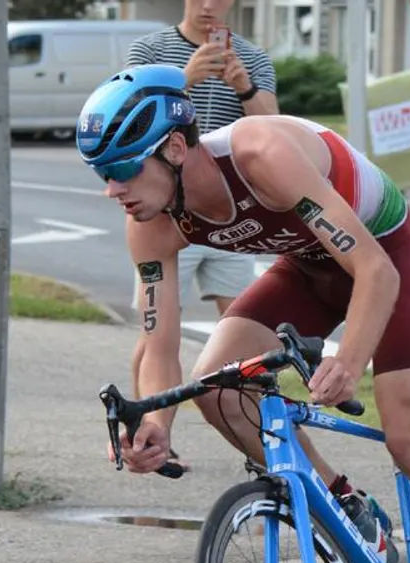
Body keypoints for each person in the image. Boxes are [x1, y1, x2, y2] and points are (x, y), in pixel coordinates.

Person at [76, 64, 410, 563]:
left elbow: (376, 273)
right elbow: (159, 345)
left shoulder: (262, 154)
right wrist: (158, 419)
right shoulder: (149, 223)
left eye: (123, 168)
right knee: (220, 388)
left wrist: (348, 359)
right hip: (306, 271)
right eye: (101, 173)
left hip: (384, 255)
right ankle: (349, 507)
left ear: (176, 147)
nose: (112, 188)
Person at [123, 0, 280, 399]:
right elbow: (127, 116)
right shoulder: (150, 50)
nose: (209, 5)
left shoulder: (252, 57)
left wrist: (243, 87)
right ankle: (147, 428)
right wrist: (183, 79)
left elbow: (273, 126)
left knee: (243, 325)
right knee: (159, 331)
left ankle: (254, 430)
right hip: (168, 213)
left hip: (229, 209)